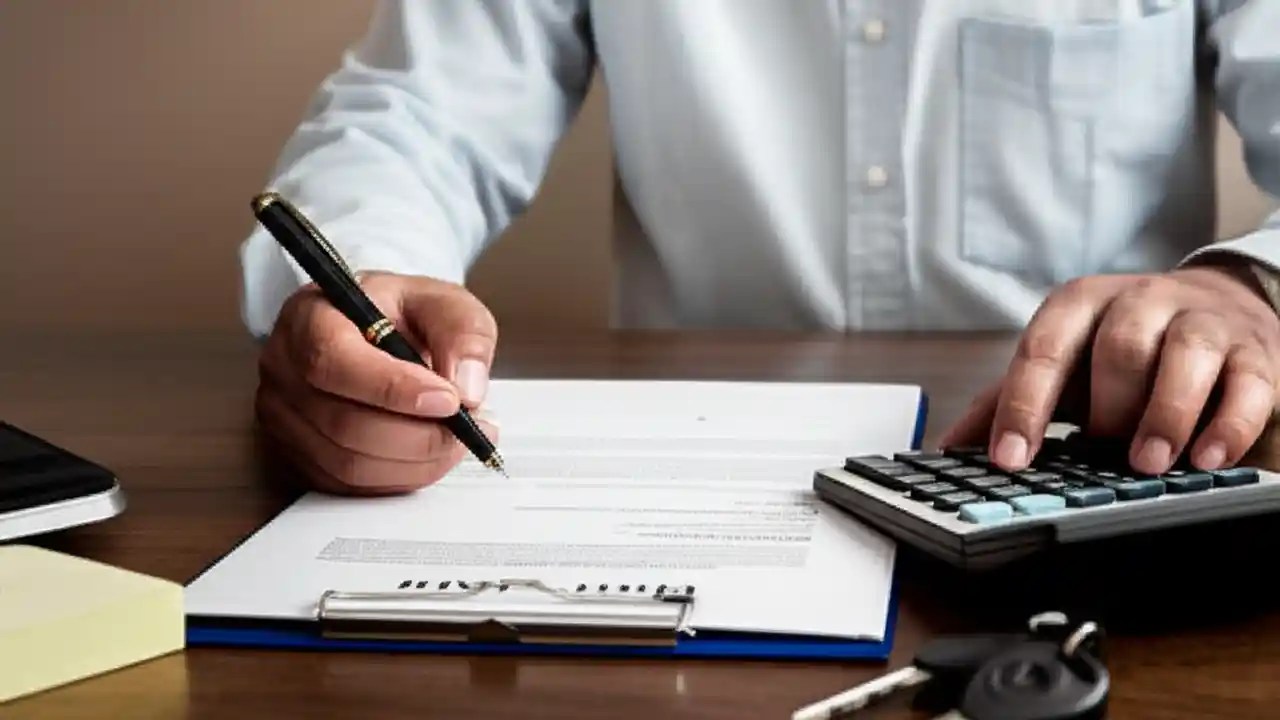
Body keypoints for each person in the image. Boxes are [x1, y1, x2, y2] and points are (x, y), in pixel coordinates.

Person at [239, 0, 1280, 496]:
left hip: (1102, 467)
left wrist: (1250, 288)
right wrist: (362, 285)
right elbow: (415, 116)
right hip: (697, 473)